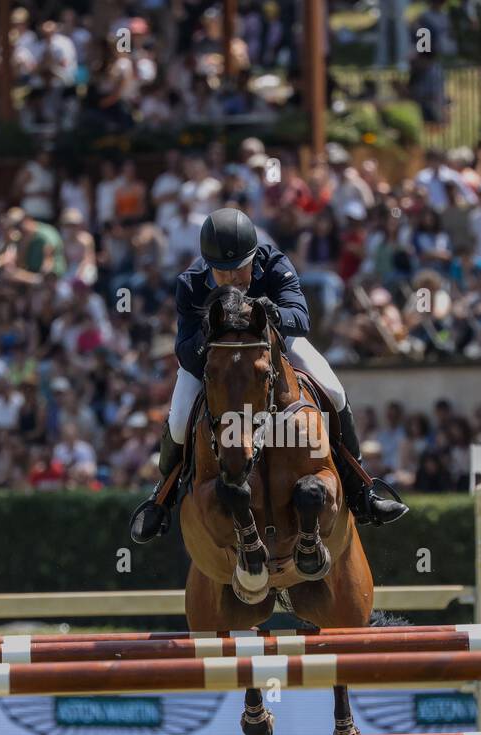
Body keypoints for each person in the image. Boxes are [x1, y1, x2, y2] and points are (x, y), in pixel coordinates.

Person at [129, 207, 407, 543]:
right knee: (177, 421)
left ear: (253, 256)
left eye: (239, 268)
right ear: (208, 265)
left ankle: (362, 489)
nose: (232, 277)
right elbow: (184, 350)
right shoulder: (190, 284)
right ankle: (163, 498)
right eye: (222, 271)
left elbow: (301, 319)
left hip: (278, 345)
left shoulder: (274, 263)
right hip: (214, 362)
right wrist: (213, 334)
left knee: (333, 390)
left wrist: (273, 311)